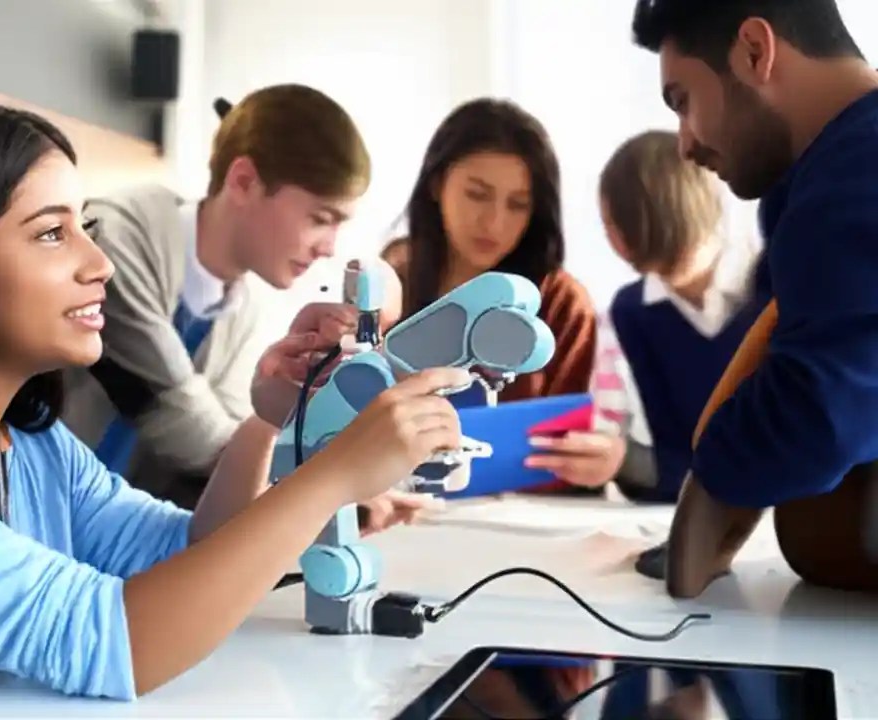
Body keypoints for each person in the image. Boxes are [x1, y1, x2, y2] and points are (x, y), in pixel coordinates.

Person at [0, 102, 465, 718]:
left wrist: (268, 421)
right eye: (51, 234)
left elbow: (188, 556)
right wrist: (331, 476)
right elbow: (118, 641)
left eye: (86, 229)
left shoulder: (31, 443)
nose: (98, 265)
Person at [64, 83, 405, 514]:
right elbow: (183, 420)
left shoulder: (246, 306)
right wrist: (329, 484)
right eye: (321, 219)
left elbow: (225, 446)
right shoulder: (115, 240)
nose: (329, 247)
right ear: (243, 182)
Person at [630, 0, 878, 508]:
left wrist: (712, 477)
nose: (685, 145)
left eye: (683, 102)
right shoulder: (819, 185)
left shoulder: (849, 183)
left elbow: (815, 420)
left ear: (754, 51)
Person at [533, 129, 770, 500]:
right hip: (700, 515)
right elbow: (679, 461)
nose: (610, 237)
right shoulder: (633, 311)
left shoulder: (772, 284)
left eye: (610, 222)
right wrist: (624, 461)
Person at [382, 99, 600, 494]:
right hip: (396, 507)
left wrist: (597, 460)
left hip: (524, 519)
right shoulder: (391, 278)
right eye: (477, 194)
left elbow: (566, 453)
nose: (494, 222)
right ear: (436, 184)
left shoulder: (561, 302)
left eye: (518, 205)